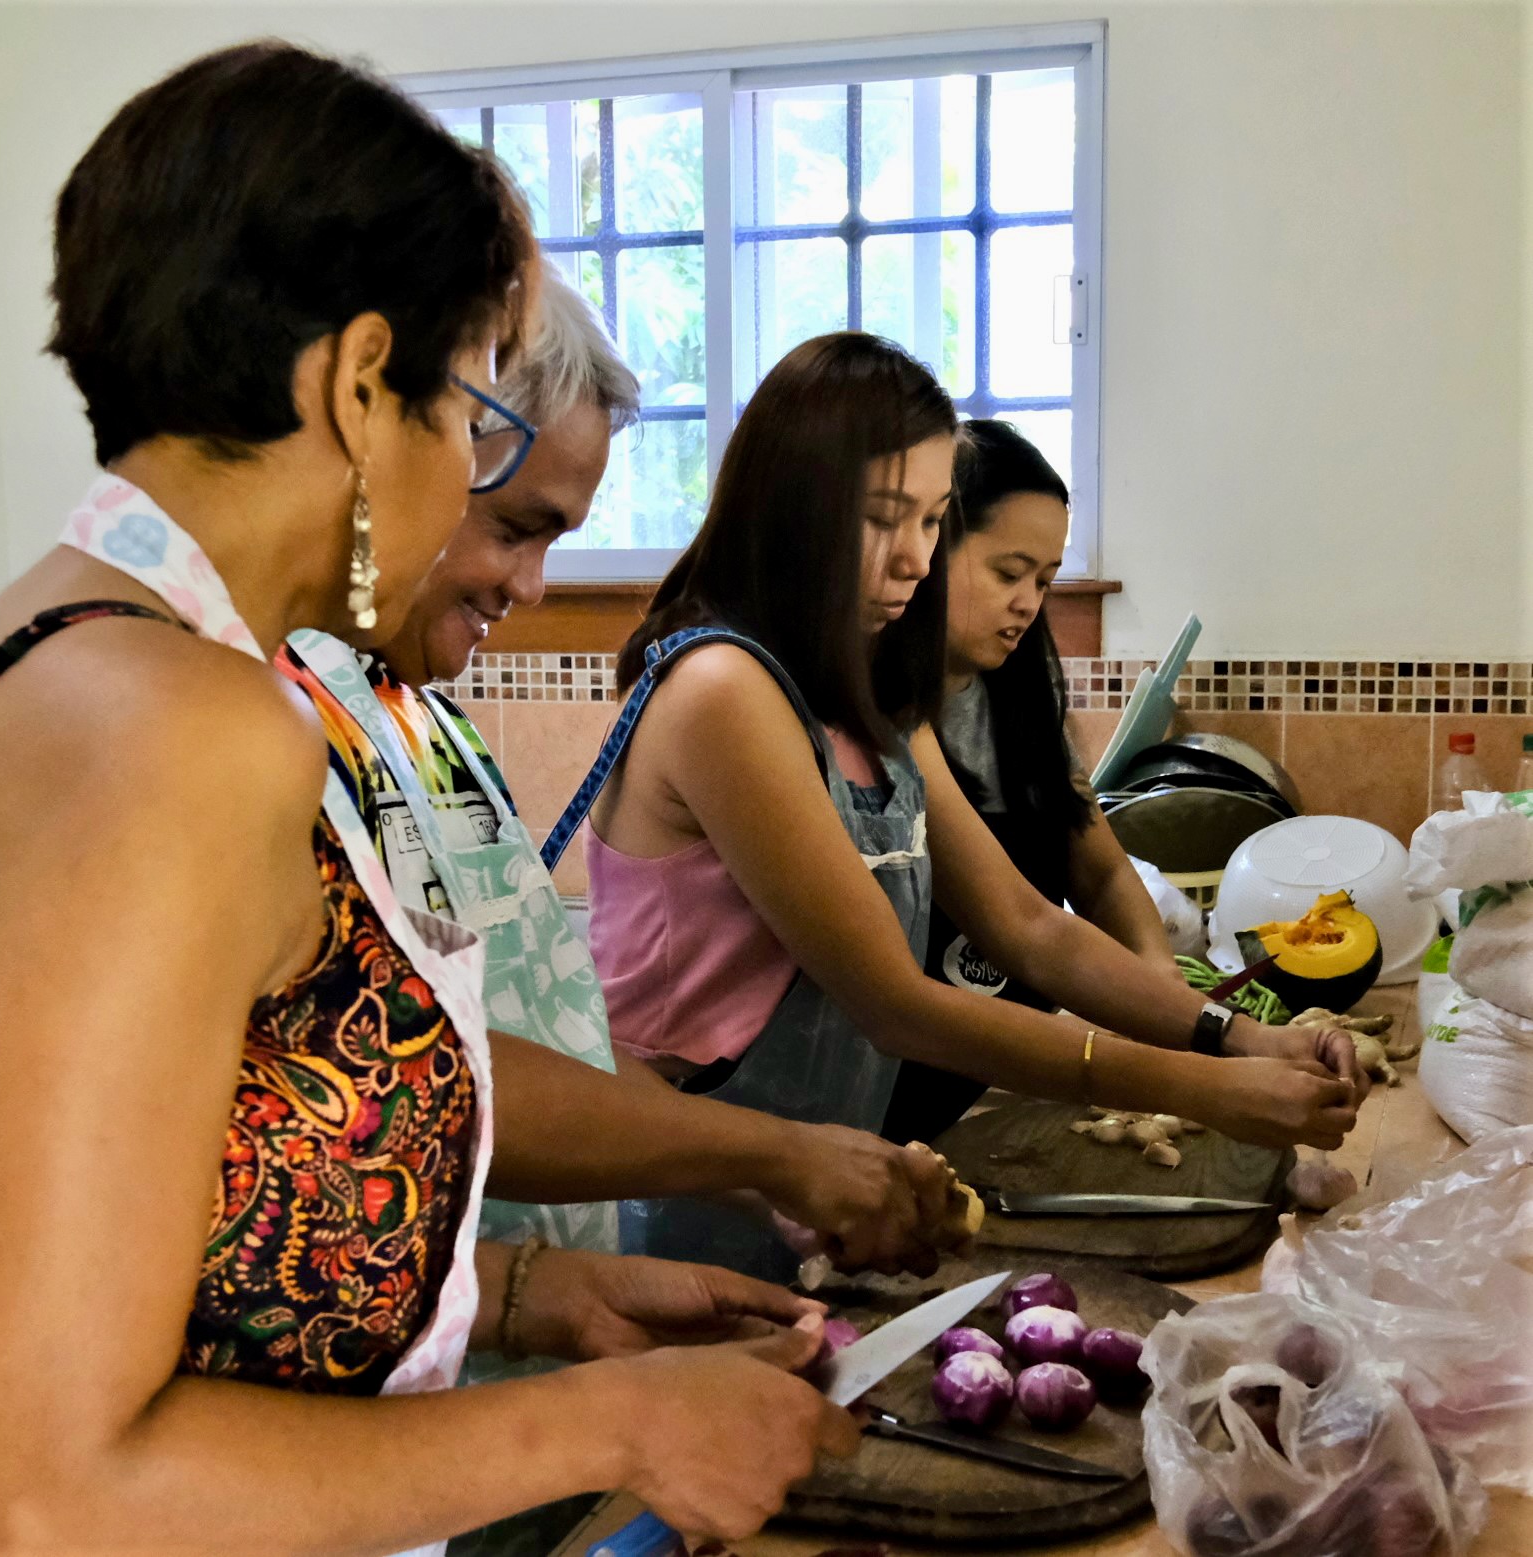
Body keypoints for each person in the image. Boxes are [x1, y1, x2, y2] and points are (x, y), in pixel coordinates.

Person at [0, 45, 858, 1557]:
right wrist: (612, 1423)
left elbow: (205, 1170)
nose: (468, 479)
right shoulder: (166, 729)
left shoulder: (80, 648)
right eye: (468, 420)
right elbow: (34, 1501)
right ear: (352, 383)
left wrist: (519, 1289)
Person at [282, 273, 958, 1552]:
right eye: (516, 525)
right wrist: (761, 1154)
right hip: (366, 1440)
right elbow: (393, 1107)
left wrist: (547, 1289)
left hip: (486, 1357)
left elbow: (476, 1043)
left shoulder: (411, 717)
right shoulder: (228, 731)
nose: (535, 585)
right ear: (372, 431)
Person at [552, 332, 1367, 1282]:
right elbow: (897, 1006)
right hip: (674, 1198)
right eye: (882, 517)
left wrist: (1241, 1037)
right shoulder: (724, 690)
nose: (913, 560)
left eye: (933, 521)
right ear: (795, 506)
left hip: (808, 1191)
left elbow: (1030, 926)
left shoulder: (868, 699)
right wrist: (1212, 1087)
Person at [883, 419, 1183, 1143]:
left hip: (1006, 1082)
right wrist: (1200, 1053)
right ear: (930, 549)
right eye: (1008, 572)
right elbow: (1023, 927)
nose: (1028, 603)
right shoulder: (878, 705)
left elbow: (1099, 868)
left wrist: (1164, 996)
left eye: (1044, 581)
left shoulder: (1021, 685)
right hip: (899, 1094)